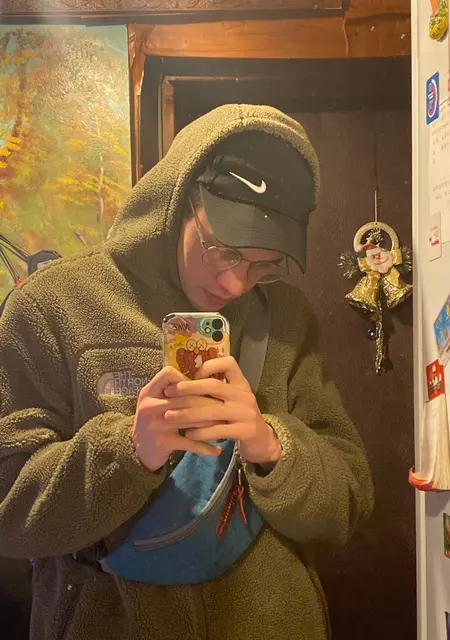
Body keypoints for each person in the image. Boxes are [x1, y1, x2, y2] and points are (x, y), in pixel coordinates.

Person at [0, 103, 373, 640]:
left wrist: (271, 446)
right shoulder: (50, 307)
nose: (236, 284)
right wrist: (128, 452)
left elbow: (350, 502)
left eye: (264, 264)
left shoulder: (289, 319)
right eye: (223, 250)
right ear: (178, 201)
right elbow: (9, 512)